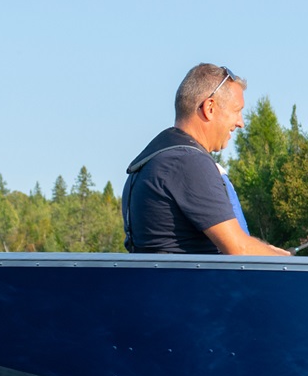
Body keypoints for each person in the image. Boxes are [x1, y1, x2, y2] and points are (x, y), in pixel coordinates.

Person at [122, 63, 290, 255]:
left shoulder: (155, 158)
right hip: (191, 285)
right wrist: (286, 261)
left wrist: (264, 250)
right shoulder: (187, 163)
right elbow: (239, 249)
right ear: (209, 107)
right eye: (237, 110)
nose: (240, 123)